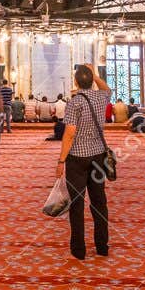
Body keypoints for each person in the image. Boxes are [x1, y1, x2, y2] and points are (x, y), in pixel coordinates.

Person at [57, 63, 112, 260]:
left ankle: (79, 249)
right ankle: (102, 246)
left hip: (77, 160)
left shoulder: (74, 103)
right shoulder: (101, 97)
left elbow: (69, 134)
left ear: (76, 82)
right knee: (99, 202)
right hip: (98, 157)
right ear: (91, 81)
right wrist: (95, 75)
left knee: (77, 203)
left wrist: (61, 161)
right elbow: (107, 89)